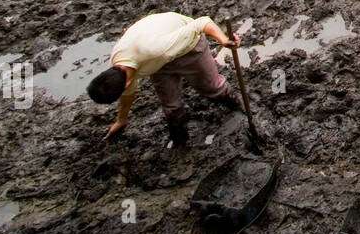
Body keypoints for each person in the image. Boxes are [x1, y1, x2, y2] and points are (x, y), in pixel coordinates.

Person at [86, 12, 244, 146]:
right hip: (158, 62)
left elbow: (202, 23)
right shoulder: (117, 66)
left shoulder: (156, 49)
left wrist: (223, 40)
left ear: (127, 82)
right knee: (172, 107)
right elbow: (128, 93)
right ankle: (180, 143)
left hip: (188, 47)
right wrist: (121, 119)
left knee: (211, 87)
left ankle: (238, 106)